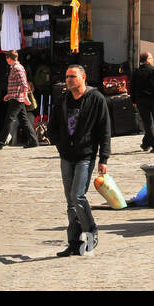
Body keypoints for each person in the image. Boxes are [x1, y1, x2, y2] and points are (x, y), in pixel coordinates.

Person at [50, 65, 111, 257]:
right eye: (67, 77)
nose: (69, 80)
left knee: (78, 195)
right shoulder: (63, 101)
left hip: (86, 155)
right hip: (66, 156)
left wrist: (104, 158)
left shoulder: (96, 99)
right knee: (70, 201)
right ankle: (74, 242)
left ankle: (91, 230)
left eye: (73, 77)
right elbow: (53, 127)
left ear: (83, 77)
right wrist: (59, 144)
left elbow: (105, 130)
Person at [0, 50, 39, 149]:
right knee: (24, 120)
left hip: (17, 99)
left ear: (9, 58)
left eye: (6, 59)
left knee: (9, 120)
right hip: (16, 97)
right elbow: (17, 85)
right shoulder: (15, 67)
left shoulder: (17, 68)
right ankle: (33, 141)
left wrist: (25, 97)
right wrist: (9, 95)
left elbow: (24, 84)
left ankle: (1, 142)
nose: (6, 61)